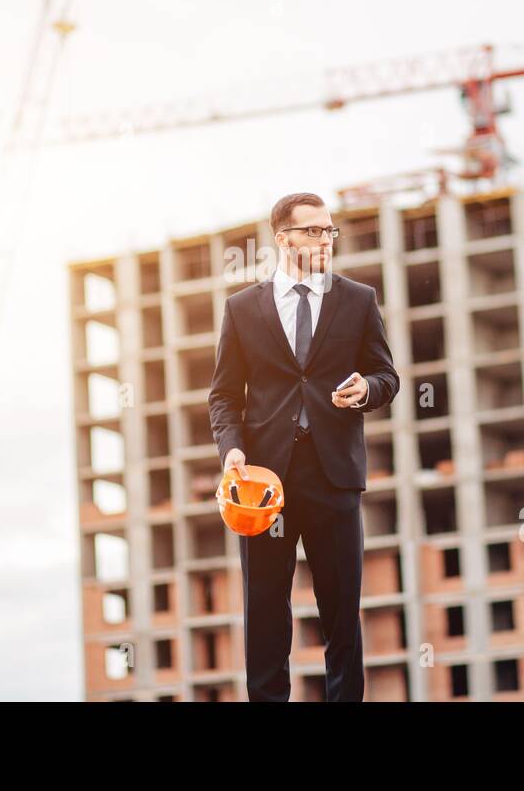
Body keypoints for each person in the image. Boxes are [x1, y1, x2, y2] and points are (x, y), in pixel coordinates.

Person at [208, 191, 400, 701]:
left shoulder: (358, 300)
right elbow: (224, 396)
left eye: (329, 231)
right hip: (264, 488)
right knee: (266, 614)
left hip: (334, 479)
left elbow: (387, 375)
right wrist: (231, 449)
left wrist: (368, 390)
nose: (325, 240)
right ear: (282, 239)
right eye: (313, 231)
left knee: (342, 614)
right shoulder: (242, 309)